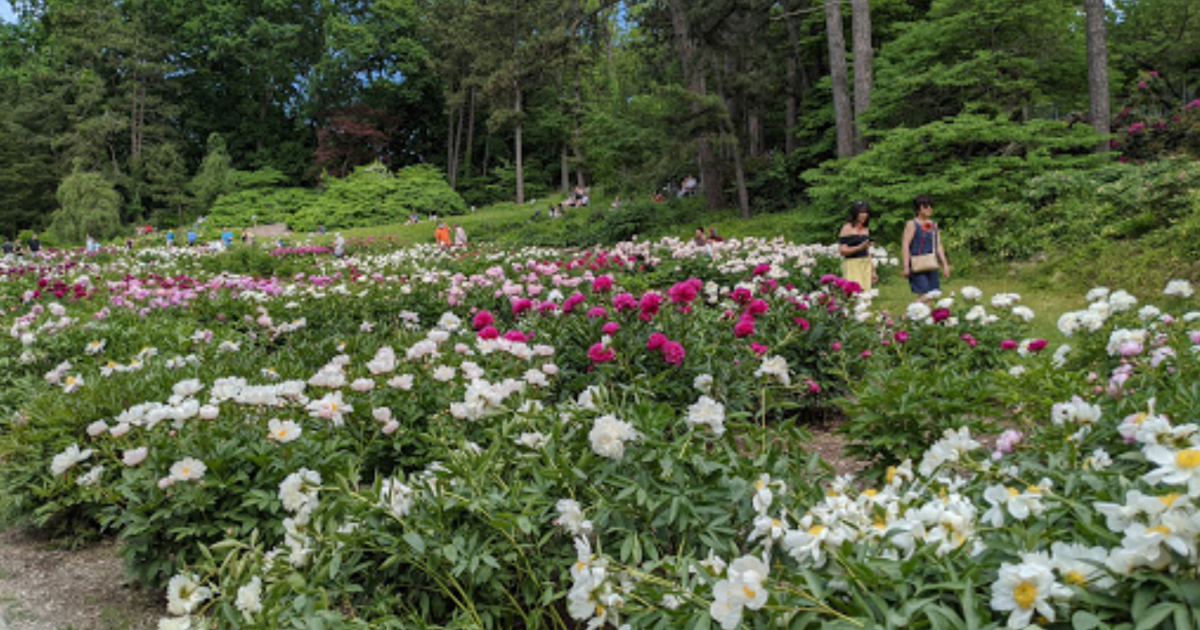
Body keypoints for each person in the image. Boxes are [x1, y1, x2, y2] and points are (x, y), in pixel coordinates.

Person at [901, 194, 950, 301]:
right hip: (917, 262)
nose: (929, 209)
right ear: (918, 208)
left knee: (933, 294)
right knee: (924, 295)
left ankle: (917, 316)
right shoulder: (912, 224)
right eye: (925, 206)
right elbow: (905, 245)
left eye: (931, 206)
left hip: (931, 262)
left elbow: (938, 245)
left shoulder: (934, 225)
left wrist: (945, 264)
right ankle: (907, 315)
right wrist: (906, 266)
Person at [838, 200, 877, 293]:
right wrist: (859, 248)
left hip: (865, 263)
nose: (864, 215)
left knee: (866, 292)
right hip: (852, 263)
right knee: (855, 291)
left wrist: (873, 270)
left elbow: (868, 252)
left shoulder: (865, 229)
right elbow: (842, 250)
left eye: (866, 212)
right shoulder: (847, 228)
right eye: (861, 212)